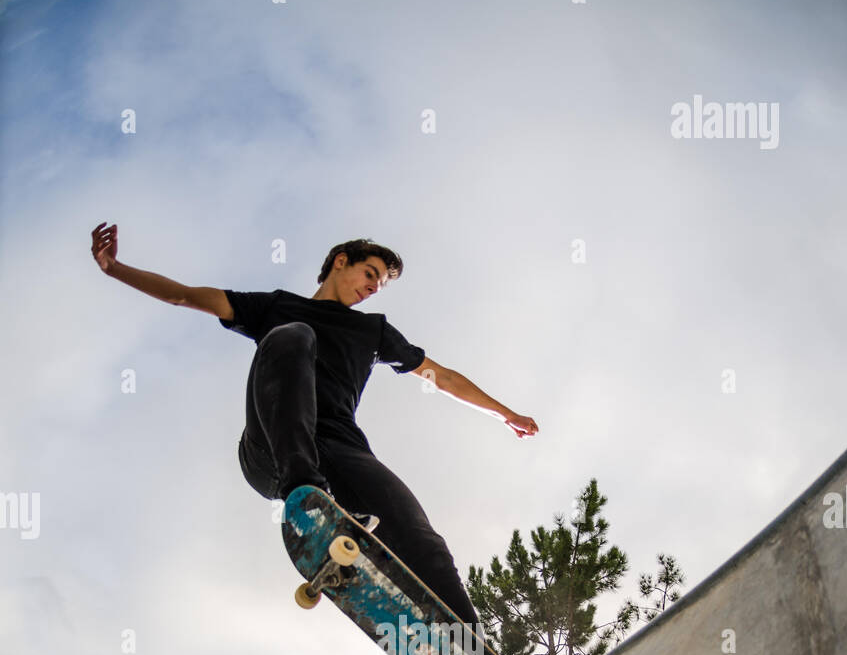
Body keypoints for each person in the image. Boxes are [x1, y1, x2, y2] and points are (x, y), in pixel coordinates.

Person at [90, 224, 539, 628]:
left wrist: (505, 414)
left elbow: (440, 376)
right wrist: (115, 269)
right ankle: (309, 499)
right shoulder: (276, 306)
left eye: (379, 285)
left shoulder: (373, 332)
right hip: (272, 449)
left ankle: (472, 654)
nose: (372, 289)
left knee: (421, 537)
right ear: (340, 262)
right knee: (293, 334)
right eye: (369, 274)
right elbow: (185, 295)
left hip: (341, 451)